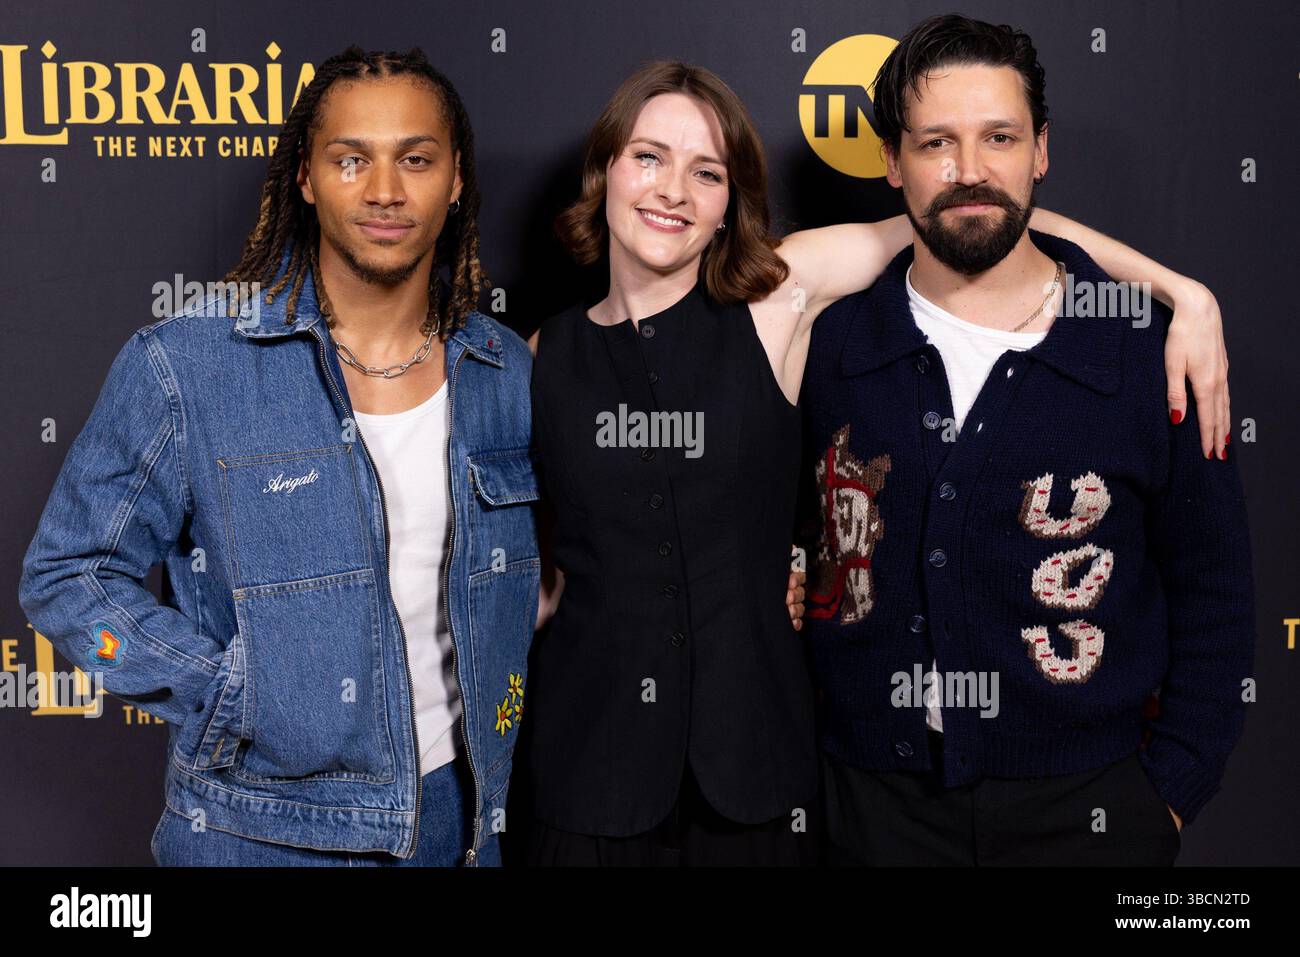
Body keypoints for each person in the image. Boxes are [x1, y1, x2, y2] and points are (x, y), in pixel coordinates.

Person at [522, 58, 1232, 866]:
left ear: (729, 204)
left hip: (760, 782)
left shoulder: (778, 303)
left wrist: (1180, 291)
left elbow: (974, 216)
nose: (672, 190)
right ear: (605, 169)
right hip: (588, 773)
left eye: (706, 171)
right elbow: (530, 563)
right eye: (648, 157)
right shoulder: (538, 357)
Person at [19, 47, 539, 866]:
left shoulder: (505, 372)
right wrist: (227, 690)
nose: (384, 191)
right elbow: (67, 574)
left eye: (415, 158)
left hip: (463, 824)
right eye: (350, 159)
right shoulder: (187, 363)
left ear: (457, 178)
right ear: (305, 177)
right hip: (255, 834)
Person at [800, 14, 1255, 866]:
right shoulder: (829, 347)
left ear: (1040, 150)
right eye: (937, 142)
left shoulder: (1146, 346)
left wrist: (1169, 796)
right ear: (892, 162)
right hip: (868, 807)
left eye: (999, 137)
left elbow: (1215, 591)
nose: (970, 171)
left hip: (1090, 812)